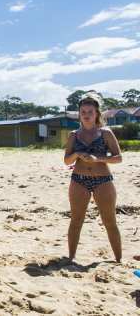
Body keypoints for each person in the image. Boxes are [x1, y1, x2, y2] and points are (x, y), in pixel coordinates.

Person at [64, 92, 123, 262]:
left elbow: (118, 158)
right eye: (83, 112)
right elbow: (67, 160)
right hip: (78, 180)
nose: (86, 115)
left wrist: (99, 159)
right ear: (79, 114)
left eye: (90, 112)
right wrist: (77, 154)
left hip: (103, 180)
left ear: (97, 113)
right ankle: (71, 258)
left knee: (109, 221)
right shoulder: (73, 135)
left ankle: (118, 260)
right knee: (76, 220)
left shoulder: (105, 133)